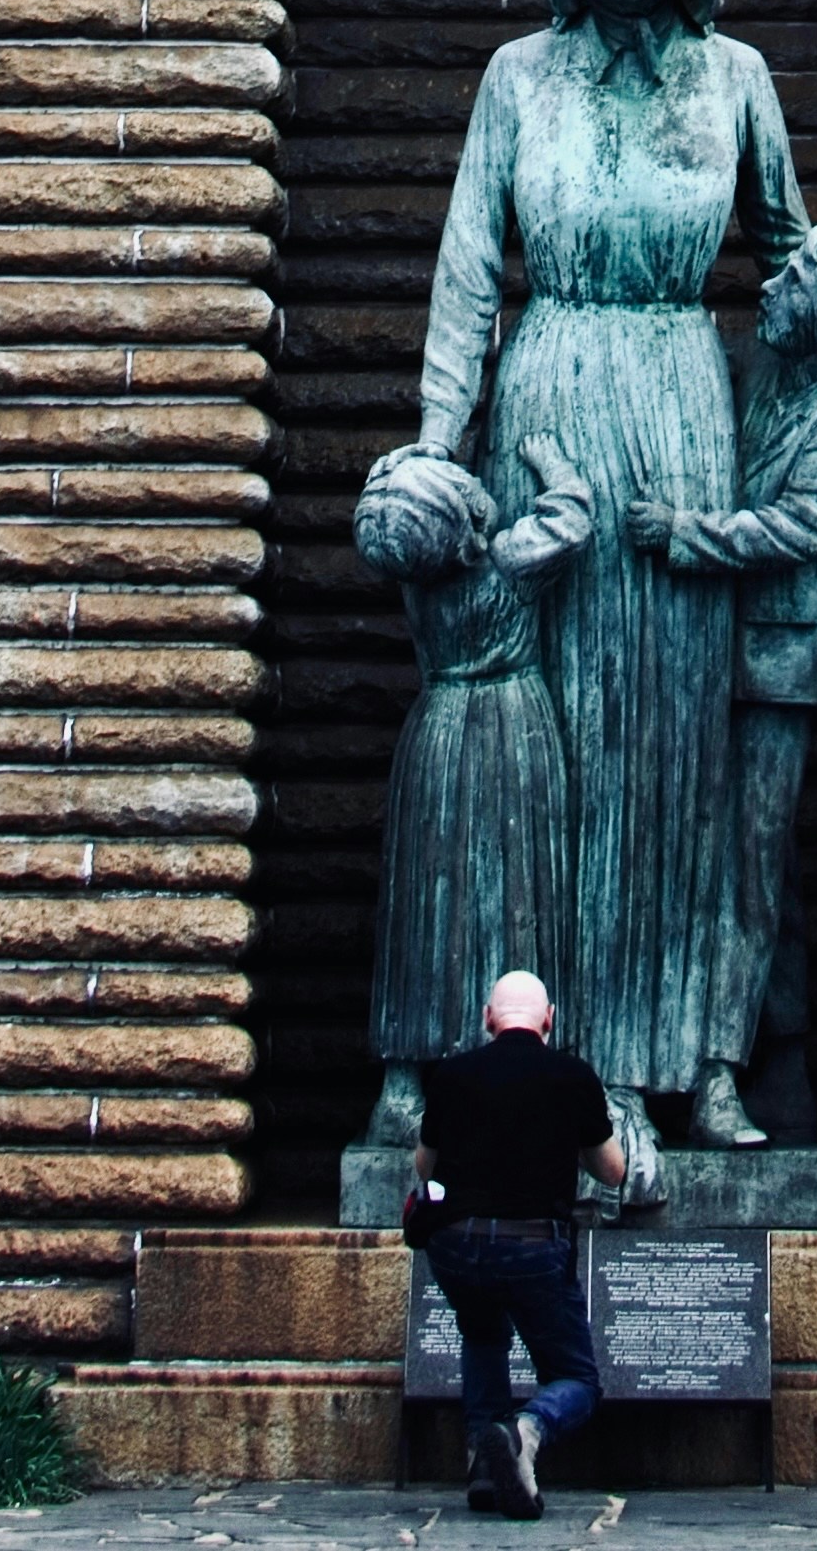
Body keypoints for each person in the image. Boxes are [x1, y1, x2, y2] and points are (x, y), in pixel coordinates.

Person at [415, 0, 809, 1132]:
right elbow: (470, 269)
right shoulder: (516, 77)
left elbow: (797, 271)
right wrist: (436, 446)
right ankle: (556, 1067)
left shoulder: (736, 76)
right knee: (555, 748)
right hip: (552, 396)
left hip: (684, 407)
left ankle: (685, 1058)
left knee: (677, 756)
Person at [628, 219, 817, 1143]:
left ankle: (718, 1074)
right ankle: (734, 1062)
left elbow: (791, 530)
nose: (773, 283)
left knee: (748, 883)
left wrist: (681, 530)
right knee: (733, 872)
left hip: (774, 671)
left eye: (799, 276)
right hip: (704, 650)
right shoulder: (771, 365)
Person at [352, 437, 590, 1144]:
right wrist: (551, 460)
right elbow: (573, 517)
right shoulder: (506, 563)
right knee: (516, 894)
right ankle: (516, 1067)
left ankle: (403, 1087)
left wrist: (406, 466)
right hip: (510, 728)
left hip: (437, 734)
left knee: (425, 908)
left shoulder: (416, 574)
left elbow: (395, 501)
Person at [414, 966, 629, 1518]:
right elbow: (612, 1171)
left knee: (484, 1336)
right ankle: (524, 1434)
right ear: (548, 1021)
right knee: (576, 1377)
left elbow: (425, 1165)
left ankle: (484, 1468)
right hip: (533, 1246)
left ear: (488, 1018)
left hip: (456, 1247)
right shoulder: (571, 1075)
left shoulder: (451, 1075)